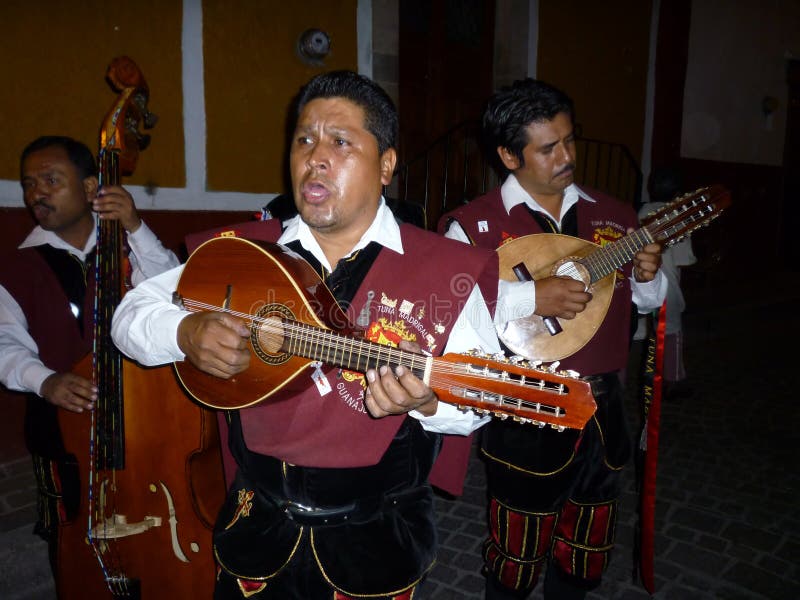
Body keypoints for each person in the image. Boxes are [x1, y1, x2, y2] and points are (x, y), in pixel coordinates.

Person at [111, 71, 526, 600]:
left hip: (378, 533)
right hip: (256, 524)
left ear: (387, 166)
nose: (316, 156)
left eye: (341, 142)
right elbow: (130, 316)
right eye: (304, 139)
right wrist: (185, 330)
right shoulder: (243, 250)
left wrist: (426, 402)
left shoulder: (445, 269)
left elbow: (480, 400)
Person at [438, 79, 667, 599]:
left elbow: (648, 302)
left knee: (586, 550)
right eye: (549, 147)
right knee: (515, 555)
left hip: (604, 411)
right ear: (508, 155)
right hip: (526, 410)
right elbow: (450, 320)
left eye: (570, 140)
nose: (566, 157)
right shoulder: (472, 227)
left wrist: (650, 273)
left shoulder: (617, 217)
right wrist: (526, 298)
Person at [0, 135, 180, 571]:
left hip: (140, 418)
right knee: (70, 537)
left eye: (50, 179)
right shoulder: (17, 266)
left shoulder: (129, 244)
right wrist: (45, 380)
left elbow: (175, 294)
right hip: (60, 429)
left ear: (89, 189)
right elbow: (4, 340)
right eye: (28, 183)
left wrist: (136, 227)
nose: (36, 193)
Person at [634, 166, 696, 399]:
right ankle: (675, 380)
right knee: (672, 333)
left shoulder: (638, 212)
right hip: (666, 288)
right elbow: (683, 260)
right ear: (678, 192)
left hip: (639, 286)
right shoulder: (678, 217)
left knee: (638, 331)